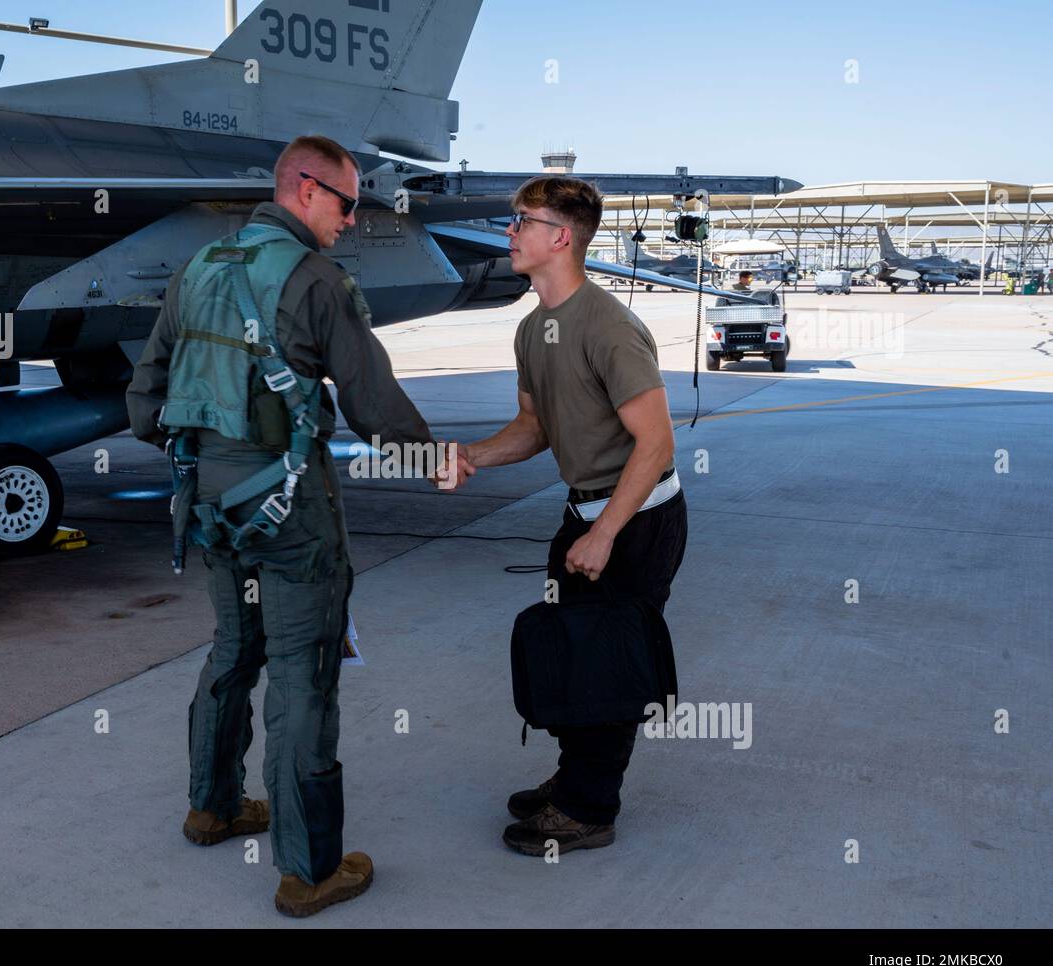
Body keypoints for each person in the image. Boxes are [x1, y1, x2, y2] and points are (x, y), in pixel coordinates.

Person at [126, 135, 471, 917]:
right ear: (307, 189)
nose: (353, 221)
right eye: (349, 204)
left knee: (231, 650)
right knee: (303, 675)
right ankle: (310, 870)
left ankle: (210, 807)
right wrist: (432, 461)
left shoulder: (198, 268)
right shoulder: (316, 280)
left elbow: (146, 399)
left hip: (208, 505)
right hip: (289, 511)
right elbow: (371, 401)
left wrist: (213, 454)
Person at [461, 175, 687, 857]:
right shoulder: (533, 330)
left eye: (522, 222)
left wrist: (606, 532)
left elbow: (657, 442)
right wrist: (470, 456)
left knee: (608, 665)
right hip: (586, 512)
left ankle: (589, 808)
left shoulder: (610, 327)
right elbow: (532, 428)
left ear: (561, 237)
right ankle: (573, 777)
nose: (510, 233)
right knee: (568, 652)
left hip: (637, 520)